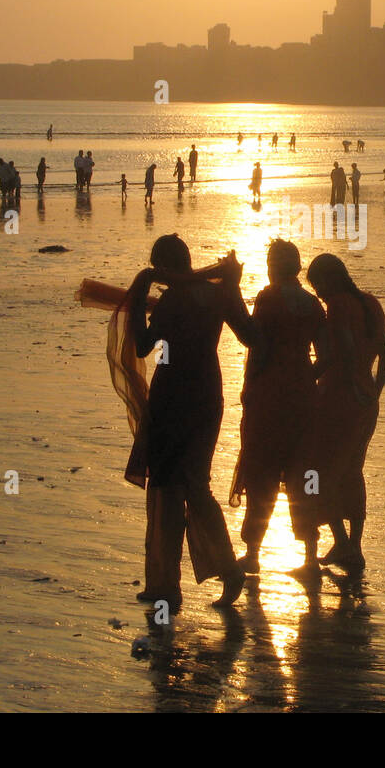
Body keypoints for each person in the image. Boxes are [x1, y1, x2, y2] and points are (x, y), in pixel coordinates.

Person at [124, 236, 257, 609]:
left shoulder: (172, 299)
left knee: (167, 486)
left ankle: (168, 584)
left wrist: (139, 296)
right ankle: (225, 571)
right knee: (196, 484)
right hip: (207, 394)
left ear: (162, 267)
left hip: (173, 395)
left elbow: (141, 346)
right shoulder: (217, 294)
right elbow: (250, 336)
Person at [230, 240, 325, 577]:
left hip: (269, 395)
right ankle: (311, 556)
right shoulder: (313, 304)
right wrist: (303, 376)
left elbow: (257, 344)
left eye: (270, 260)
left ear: (275, 266)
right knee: (304, 472)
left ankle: (253, 552)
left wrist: (251, 387)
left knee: (262, 472)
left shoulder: (269, 299)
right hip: (303, 396)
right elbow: (324, 356)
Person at [304, 254, 385, 572]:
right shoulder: (371, 303)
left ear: (331, 279)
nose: (318, 293)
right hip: (366, 399)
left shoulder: (339, 305)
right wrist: (374, 390)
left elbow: (340, 352)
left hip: (338, 396)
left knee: (321, 468)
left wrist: (304, 377)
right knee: (352, 469)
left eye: (318, 284)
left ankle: (341, 541)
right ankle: (354, 545)